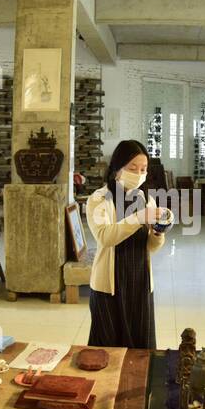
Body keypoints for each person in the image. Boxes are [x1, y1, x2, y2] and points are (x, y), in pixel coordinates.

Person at [86, 140, 172, 349]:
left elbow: (150, 247)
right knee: (107, 351)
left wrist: (159, 231)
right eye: (132, 168)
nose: (138, 173)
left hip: (139, 282)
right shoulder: (99, 200)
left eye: (143, 169)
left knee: (142, 351)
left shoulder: (145, 199)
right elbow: (105, 237)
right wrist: (138, 218)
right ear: (117, 167)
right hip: (110, 286)